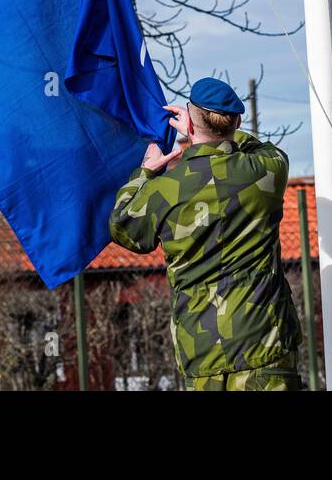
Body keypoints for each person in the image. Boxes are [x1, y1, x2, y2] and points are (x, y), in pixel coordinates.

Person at [108, 77, 303, 390]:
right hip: (265, 348)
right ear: (236, 121)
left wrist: (145, 172)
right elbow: (268, 149)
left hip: (201, 355)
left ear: (191, 121)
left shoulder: (164, 191)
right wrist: (213, 132)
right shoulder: (265, 171)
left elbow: (122, 225)